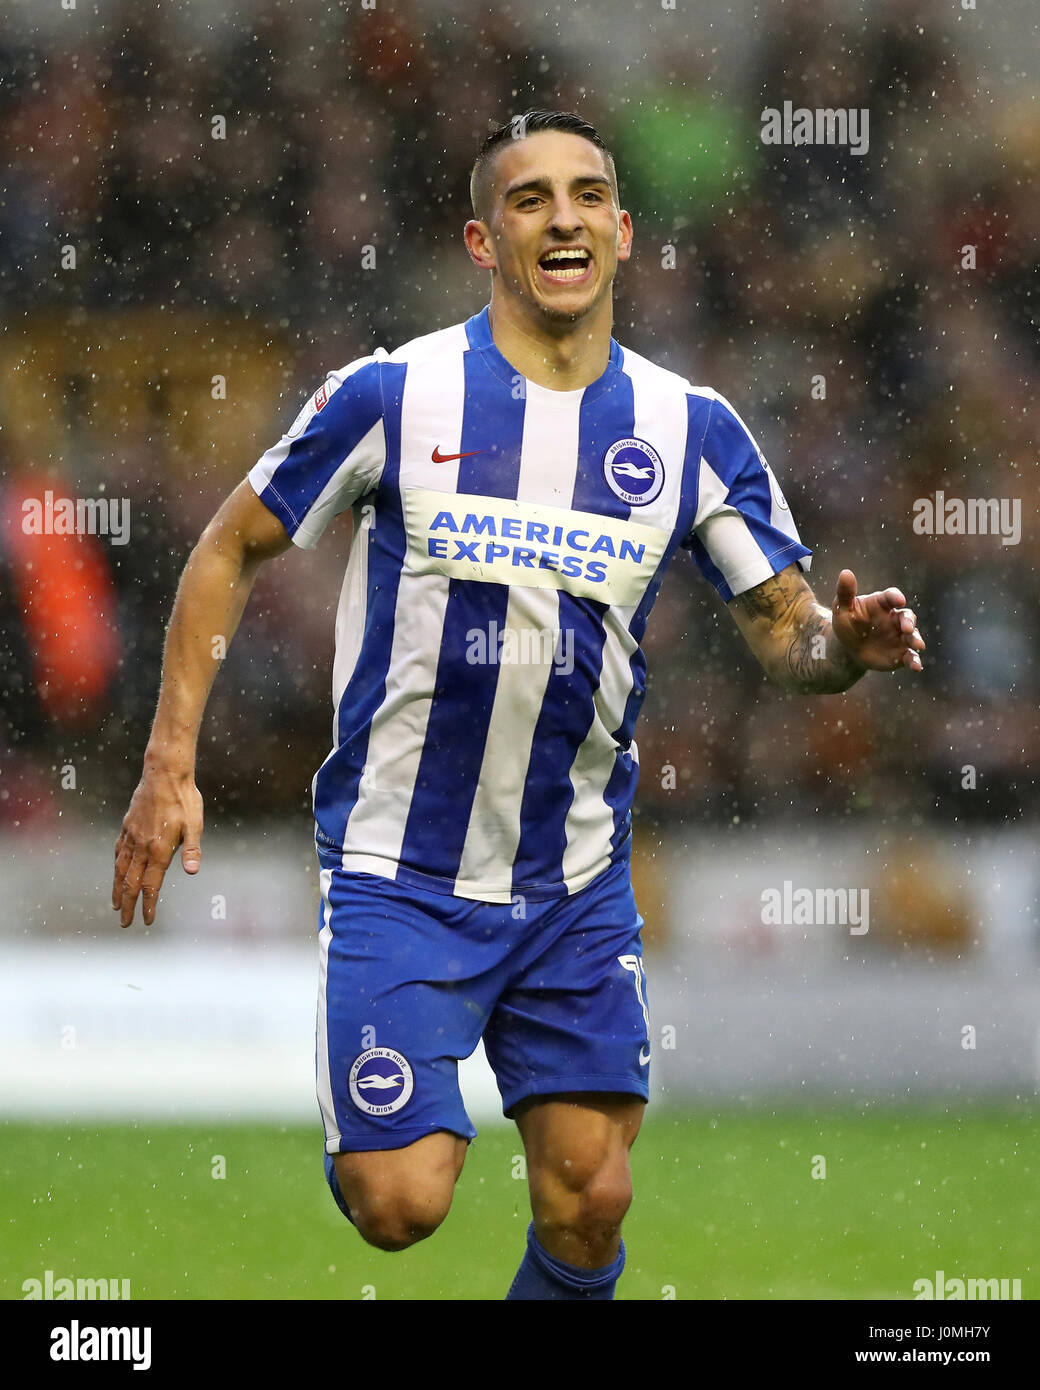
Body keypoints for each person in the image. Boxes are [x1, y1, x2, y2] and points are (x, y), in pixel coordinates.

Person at [112, 109, 925, 1300]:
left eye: (587, 194)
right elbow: (229, 548)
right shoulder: (393, 394)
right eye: (530, 197)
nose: (563, 217)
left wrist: (842, 647)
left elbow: (782, 631)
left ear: (623, 232)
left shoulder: (688, 427)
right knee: (399, 1203)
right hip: (401, 870)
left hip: (572, 882)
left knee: (590, 1199)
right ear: (484, 239)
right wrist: (166, 764)